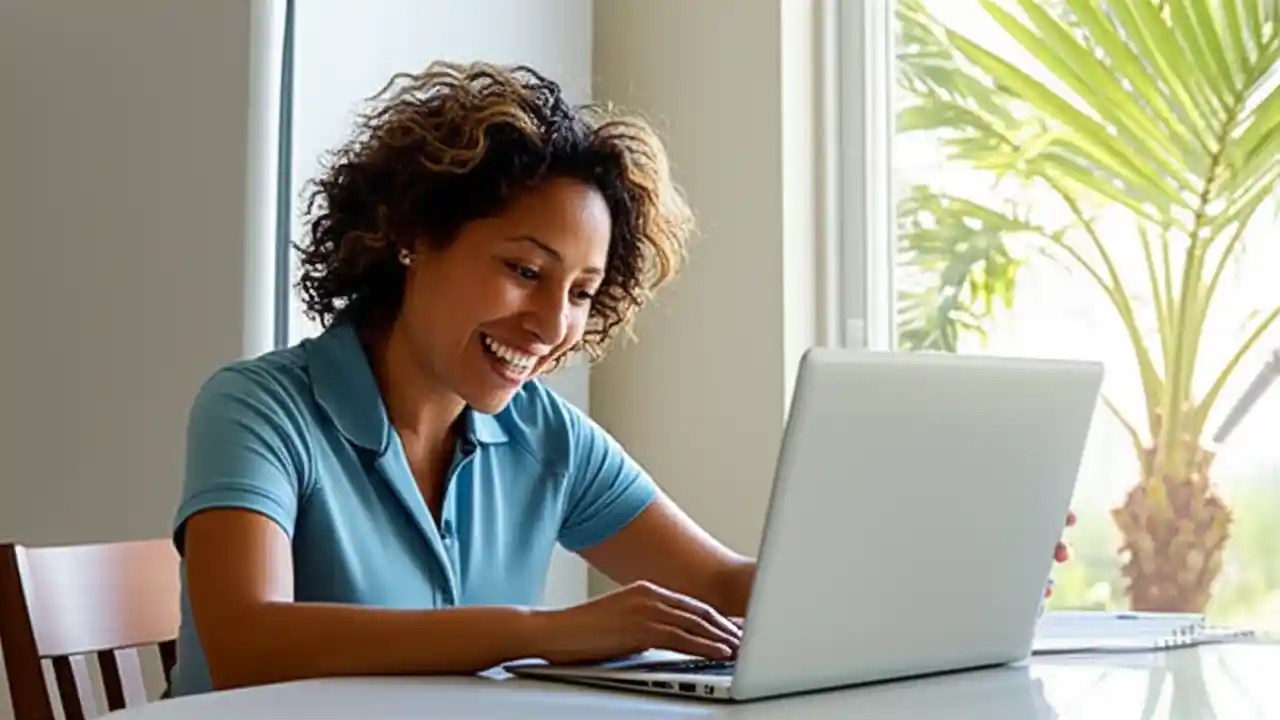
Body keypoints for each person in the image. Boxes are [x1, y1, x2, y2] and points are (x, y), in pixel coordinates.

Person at [168, 60, 1074, 697]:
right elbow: (250, 641)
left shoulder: (540, 434)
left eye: (582, 292)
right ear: (413, 234)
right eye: (524, 270)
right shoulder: (262, 409)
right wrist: (542, 632)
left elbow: (722, 586)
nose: (552, 325)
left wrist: (952, 567)